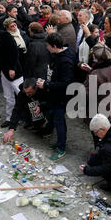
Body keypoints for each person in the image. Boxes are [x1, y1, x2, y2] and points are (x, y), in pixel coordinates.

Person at [36, 32, 75, 161]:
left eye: (48, 46)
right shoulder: (61, 54)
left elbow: (65, 83)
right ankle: (60, 142)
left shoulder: (65, 61)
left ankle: (61, 148)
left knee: (59, 121)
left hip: (62, 97)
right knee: (58, 120)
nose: (47, 48)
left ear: (54, 46)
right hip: (56, 95)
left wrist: (46, 85)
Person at [79, 114, 111, 191]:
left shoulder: (109, 148)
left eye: (96, 133)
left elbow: (106, 168)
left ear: (103, 129)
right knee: (92, 160)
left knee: (95, 163)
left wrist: (86, 170)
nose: (95, 135)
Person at [3, 78, 47, 142]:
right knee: (28, 107)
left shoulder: (43, 89)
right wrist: (11, 129)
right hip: (33, 106)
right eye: (25, 92)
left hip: (45, 105)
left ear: (36, 88)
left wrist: (41, 106)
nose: (27, 94)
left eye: (29, 92)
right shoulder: (22, 93)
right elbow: (17, 110)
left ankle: (43, 125)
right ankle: (31, 122)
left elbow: (50, 101)